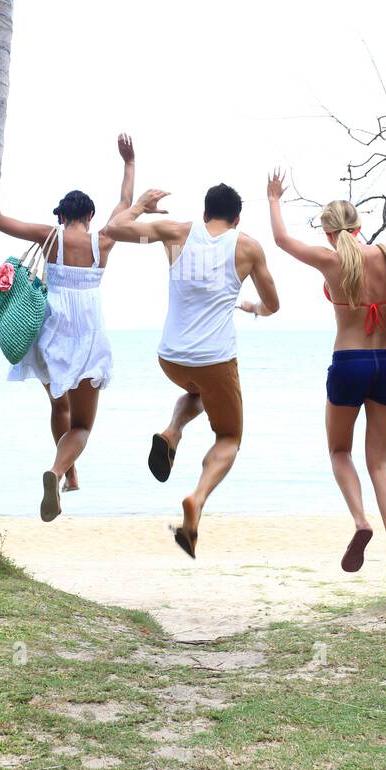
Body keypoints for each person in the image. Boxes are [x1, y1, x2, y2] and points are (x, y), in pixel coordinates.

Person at [264, 172, 386, 600]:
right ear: (359, 226)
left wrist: (273, 199)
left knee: (340, 451)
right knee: (380, 463)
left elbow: (282, 241)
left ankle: (361, 522)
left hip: (349, 362)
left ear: (328, 231)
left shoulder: (329, 260)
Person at [107, 182, 279, 557]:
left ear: (204, 214)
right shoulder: (247, 247)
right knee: (229, 437)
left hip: (171, 358)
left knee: (197, 392)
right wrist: (255, 309)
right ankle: (197, 501)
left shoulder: (176, 232)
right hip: (215, 362)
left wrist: (139, 205)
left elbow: (114, 230)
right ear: (236, 219)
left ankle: (172, 432)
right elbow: (273, 303)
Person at [0, 134, 136, 521]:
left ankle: (68, 473)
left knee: (57, 405)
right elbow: (127, 204)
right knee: (81, 426)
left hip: (52, 333)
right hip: (90, 336)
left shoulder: (51, 237)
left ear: (61, 217)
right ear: (90, 217)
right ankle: (59, 470)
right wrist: (129, 163)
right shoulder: (105, 239)